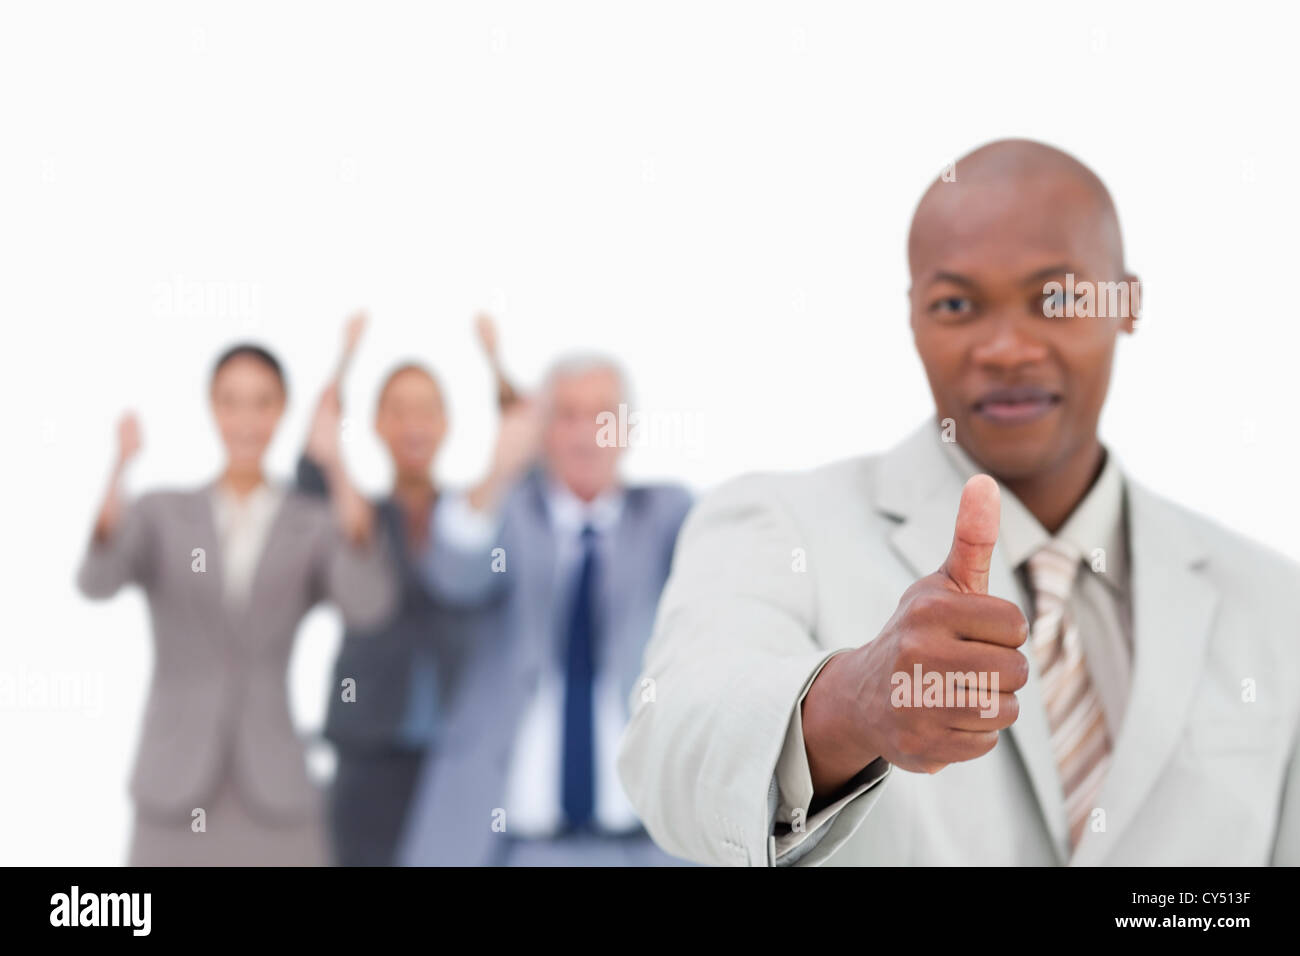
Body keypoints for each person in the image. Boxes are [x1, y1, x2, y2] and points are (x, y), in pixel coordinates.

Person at [617, 139, 1300, 866]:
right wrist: (851, 706)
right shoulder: (775, 524)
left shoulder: (1275, 603)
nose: (1006, 348)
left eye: (1059, 297)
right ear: (914, 317)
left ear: (1126, 304)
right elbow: (670, 737)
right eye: (956, 303)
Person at [77, 344, 395, 866]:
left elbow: (367, 603)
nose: (246, 419)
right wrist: (118, 471)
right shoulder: (161, 513)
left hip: (275, 785)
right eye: (232, 401)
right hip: (174, 781)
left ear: (282, 410)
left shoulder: (311, 521)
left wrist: (335, 463)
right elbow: (97, 580)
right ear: (212, 406)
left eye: (262, 402)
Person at [399, 355, 694, 866]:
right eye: (566, 415)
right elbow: (451, 571)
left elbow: (728, 563)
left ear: (627, 429)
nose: (585, 434)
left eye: (602, 416)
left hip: (646, 848)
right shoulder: (506, 514)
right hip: (515, 847)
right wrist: (497, 470)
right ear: (541, 431)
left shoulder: (665, 515)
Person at [295, 314, 502, 865]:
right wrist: (344, 362)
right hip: (369, 747)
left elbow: (525, 453)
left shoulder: (471, 519)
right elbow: (313, 465)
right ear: (377, 425)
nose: (414, 423)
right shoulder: (356, 514)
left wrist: (494, 363)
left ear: (446, 423)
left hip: (459, 747)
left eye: (426, 409)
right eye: (399, 409)